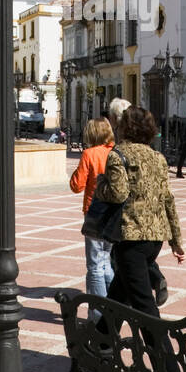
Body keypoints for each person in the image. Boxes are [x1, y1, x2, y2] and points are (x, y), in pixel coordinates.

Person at [94, 107, 184, 319]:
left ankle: (162, 352)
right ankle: (103, 345)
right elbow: (168, 199)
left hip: (130, 238)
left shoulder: (118, 154)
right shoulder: (158, 157)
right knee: (118, 296)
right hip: (155, 239)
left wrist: (99, 184)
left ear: (124, 127)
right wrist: (176, 242)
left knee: (144, 306)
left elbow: (117, 193)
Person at [70, 117, 116, 302]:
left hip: (94, 213)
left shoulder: (89, 154)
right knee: (106, 260)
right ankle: (114, 303)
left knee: (95, 265)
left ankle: (98, 313)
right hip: (113, 213)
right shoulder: (116, 152)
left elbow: (77, 185)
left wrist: (78, 169)